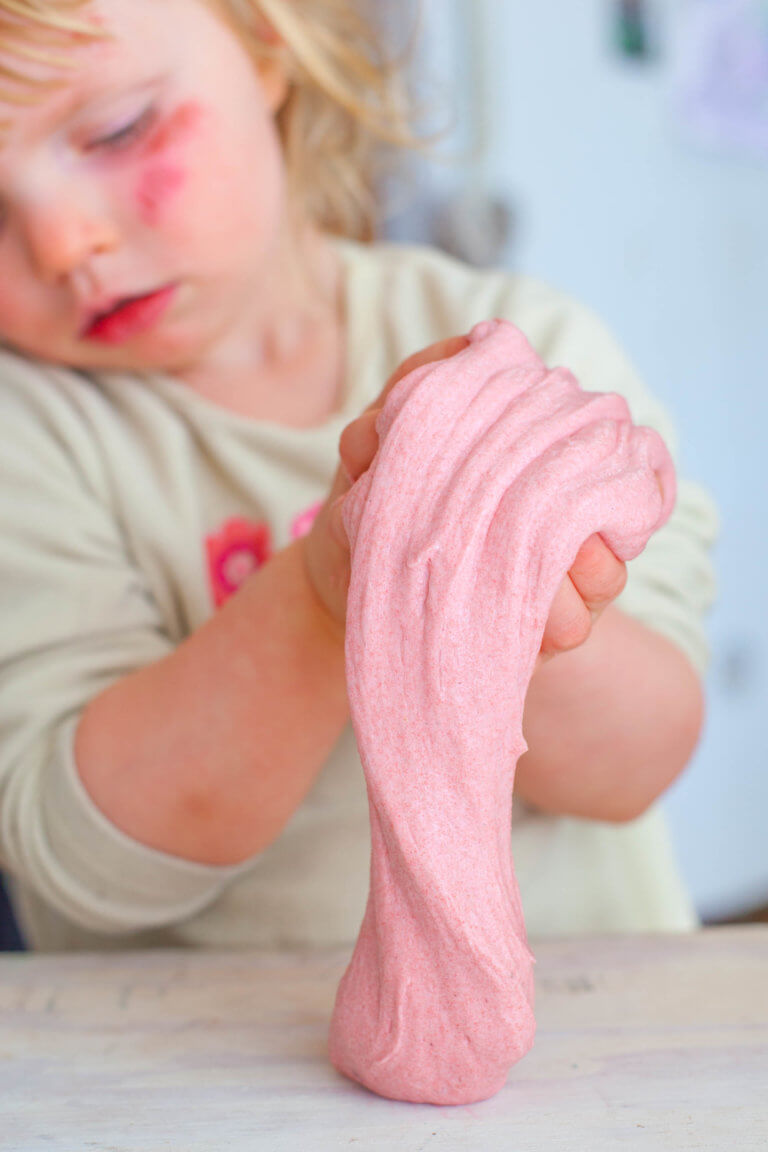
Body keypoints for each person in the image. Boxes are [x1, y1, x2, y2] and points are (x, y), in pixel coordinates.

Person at [0, 0, 717, 953]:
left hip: (587, 1041)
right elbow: (86, 865)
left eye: (116, 130)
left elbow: (637, 766)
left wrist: (488, 564)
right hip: (190, 1073)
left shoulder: (534, 353)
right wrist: (326, 593)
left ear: (266, 46)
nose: (59, 245)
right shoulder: (29, 438)